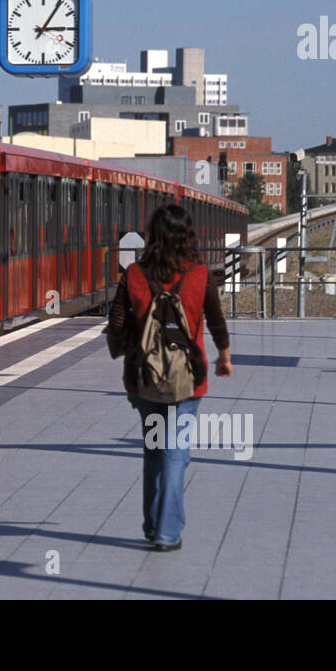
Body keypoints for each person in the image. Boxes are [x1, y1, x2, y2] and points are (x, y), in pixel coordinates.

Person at [108, 203, 231, 552]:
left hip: (144, 378)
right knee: (176, 453)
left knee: (153, 451)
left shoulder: (133, 273)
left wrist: (122, 355)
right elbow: (216, 320)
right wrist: (224, 355)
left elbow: (118, 323)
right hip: (187, 379)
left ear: (153, 236)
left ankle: (152, 524)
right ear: (188, 236)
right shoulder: (199, 274)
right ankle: (166, 532)